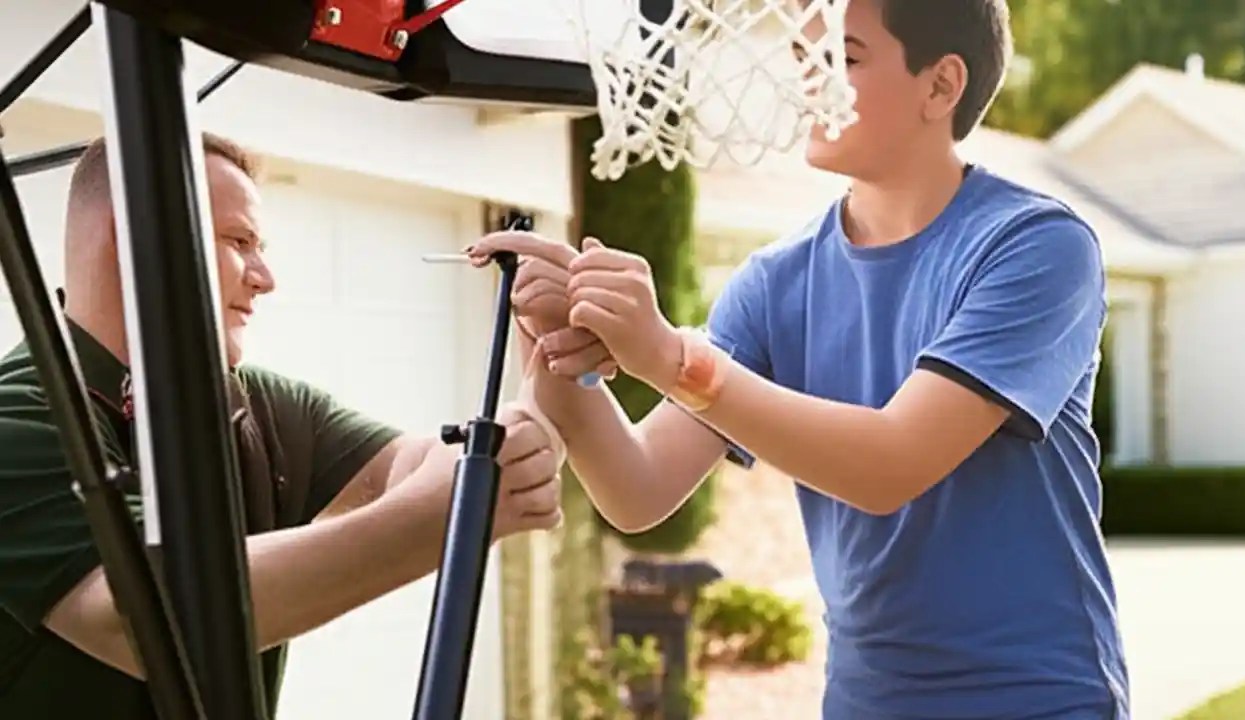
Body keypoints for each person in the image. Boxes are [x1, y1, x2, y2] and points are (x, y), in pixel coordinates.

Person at [465, 0, 1131, 717]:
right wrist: (566, 357)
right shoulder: (776, 281)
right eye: (803, 57)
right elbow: (638, 490)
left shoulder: (1036, 246)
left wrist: (670, 357)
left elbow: (891, 465)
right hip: (865, 700)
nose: (810, 81)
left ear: (939, 87)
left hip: (1038, 700)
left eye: (843, 59)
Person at [0, 132, 564, 717]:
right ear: (137, 236)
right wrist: (440, 514)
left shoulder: (257, 404)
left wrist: (550, 356)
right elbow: (145, 616)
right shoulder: (17, 417)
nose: (264, 277)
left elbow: (413, 467)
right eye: (239, 241)